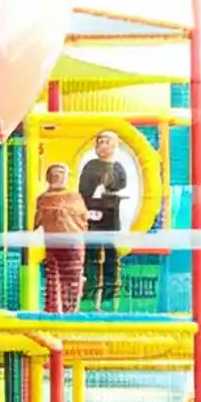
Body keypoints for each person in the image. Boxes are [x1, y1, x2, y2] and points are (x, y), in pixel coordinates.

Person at [77, 130, 128, 309]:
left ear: (115, 145)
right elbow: (83, 188)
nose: (103, 146)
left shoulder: (118, 167)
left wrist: (108, 182)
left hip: (110, 216)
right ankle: (88, 294)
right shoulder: (90, 165)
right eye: (100, 142)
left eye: (107, 142)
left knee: (111, 255)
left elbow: (120, 184)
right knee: (91, 254)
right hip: (91, 214)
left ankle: (109, 296)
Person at [33, 163, 88, 314]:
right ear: (48, 177)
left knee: (72, 280)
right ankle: (54, 313)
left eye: (62, 173)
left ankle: (71, 313)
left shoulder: (74, 197)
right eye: (55, 173)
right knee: (54, 279)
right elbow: (36, 222)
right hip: (53, 244)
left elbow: (83, 220)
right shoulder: (42, 199)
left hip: (73, 243)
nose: (58, 176)